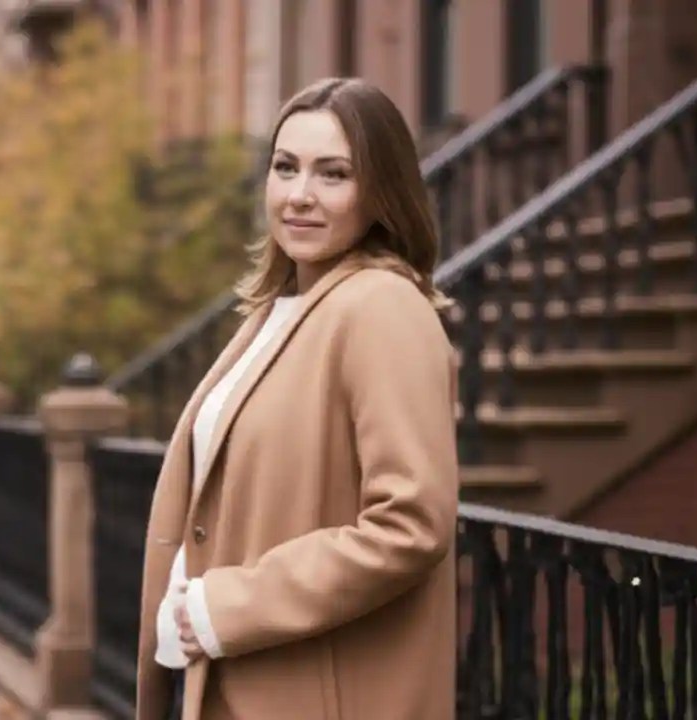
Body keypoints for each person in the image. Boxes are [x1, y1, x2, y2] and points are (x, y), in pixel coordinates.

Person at [135, 77, 460, 720]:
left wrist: (225, 608)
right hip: (221, 679)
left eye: (333, 174)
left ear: (381, 191)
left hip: (301, 691)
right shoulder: (280, 311)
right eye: (285, 167)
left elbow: (411, 523)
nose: (299, 195)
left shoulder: (381, 307)